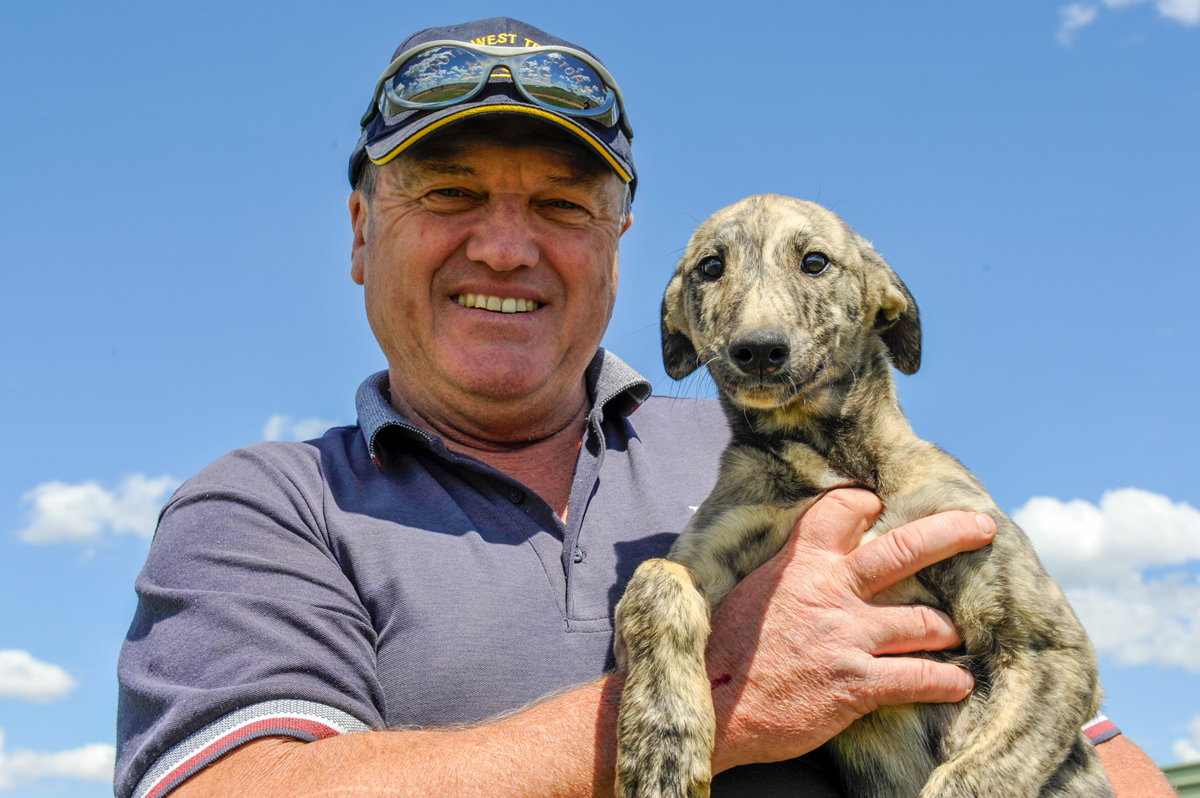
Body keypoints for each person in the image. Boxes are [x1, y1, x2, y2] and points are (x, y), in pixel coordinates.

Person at [115, 17, 1174, 798]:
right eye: (448, 192)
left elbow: (1086, 741)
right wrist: (720, 694)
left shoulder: (784, 448)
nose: (504, 245)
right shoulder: (263, 511)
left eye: (562, 205)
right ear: (358, 233)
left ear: (619, 252)